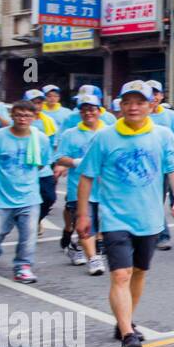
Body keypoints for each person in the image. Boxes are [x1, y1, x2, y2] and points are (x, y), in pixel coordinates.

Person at [76, 80, 174, 347]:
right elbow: (87, 176)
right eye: (128, 102)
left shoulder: (162, 135)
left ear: (152, 105)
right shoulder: (105, 137)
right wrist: (82, 215)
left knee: (139, 272)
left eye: (140, 102)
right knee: (120, 274)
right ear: (120, 106)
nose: (133, 107)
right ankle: (128, 334)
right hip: (115, 218)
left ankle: (123, 320)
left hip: (150, 218)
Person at [0, 98, 51, 284]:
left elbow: (41, 164)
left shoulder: (41, 139)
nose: (22, 119)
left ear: (34, 118)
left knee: (28, 235)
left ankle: (23, 267)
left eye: (27, 116)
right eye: (19, 115)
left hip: (29, 197)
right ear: (12, 116)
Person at [54, 93, 110, 275]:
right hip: (78, 187)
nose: (88, 113)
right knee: (85, 222)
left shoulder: (109, 132)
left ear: (99, 111)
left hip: (105, 188)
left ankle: (74, 245)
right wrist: (76, 162)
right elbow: (59, 158)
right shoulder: (70, 134)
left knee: (102, 223)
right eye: (84, 110)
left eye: (92, 109)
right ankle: (94, 259)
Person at [149, 81, 174, 251]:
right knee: (153, 200)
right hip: (146, 166)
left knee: (158, 200)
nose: (154, 96)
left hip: (164, 166)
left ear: (162, 96)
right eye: (151, 93)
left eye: (157, 93)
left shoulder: (170, 116)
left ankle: (159, 234)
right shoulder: (142, 113)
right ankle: (159, 234)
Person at [24, 89, 62, 234]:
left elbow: (54, 143)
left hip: (45, 166)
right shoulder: (19, 121)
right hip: (25, 169)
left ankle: (37, 219)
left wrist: (57, 163)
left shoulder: (48, 121)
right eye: (33, 102)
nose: (37, 105)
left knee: (49, 197)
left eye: (39, 102)